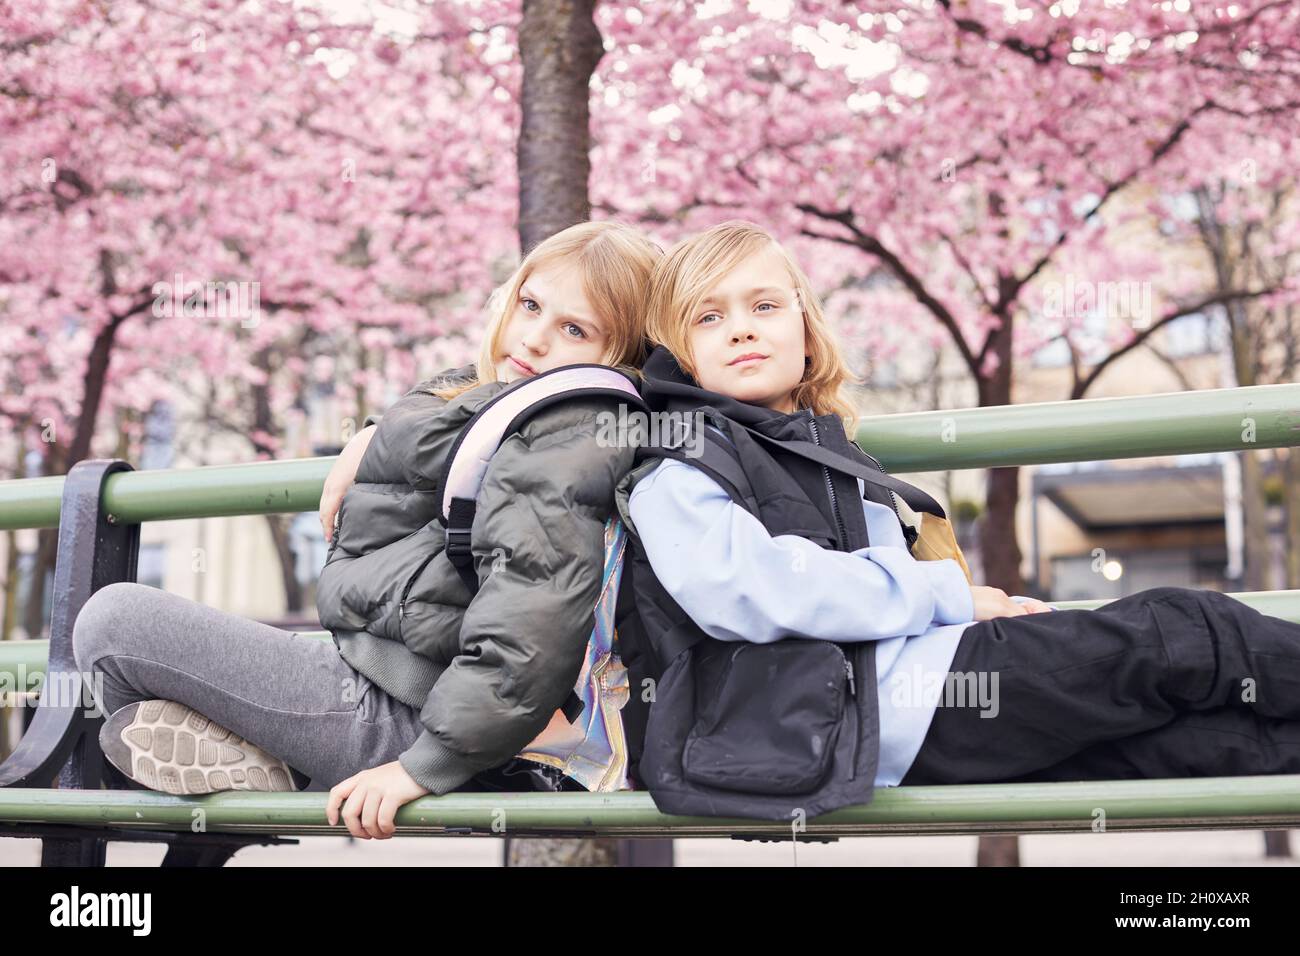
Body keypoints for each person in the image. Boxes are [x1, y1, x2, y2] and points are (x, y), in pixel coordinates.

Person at [624, 218, 1300, 795]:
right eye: (709, 318)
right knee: (1179, 629)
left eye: (764, 306)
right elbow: (751, 589)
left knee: (1205, 745)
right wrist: (950, 595)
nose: (740, 330)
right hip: (877, 709)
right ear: (682, 354)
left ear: (806, 327)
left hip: (902, 705)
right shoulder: (683, 463)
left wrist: (969, 613)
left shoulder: (820, 450)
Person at [72, 220, 663, 840]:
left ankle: (297, 771)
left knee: (113, 624)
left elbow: (533, 616)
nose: (536, 339)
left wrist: (425, 767)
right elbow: (454, 420)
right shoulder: (521, 407)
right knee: (127, 710)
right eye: (531, 305)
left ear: (617, 354)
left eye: (575, 329)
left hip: (409, 718)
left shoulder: (571, 428)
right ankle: (285, 767)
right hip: (386, 684)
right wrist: (372, 433)